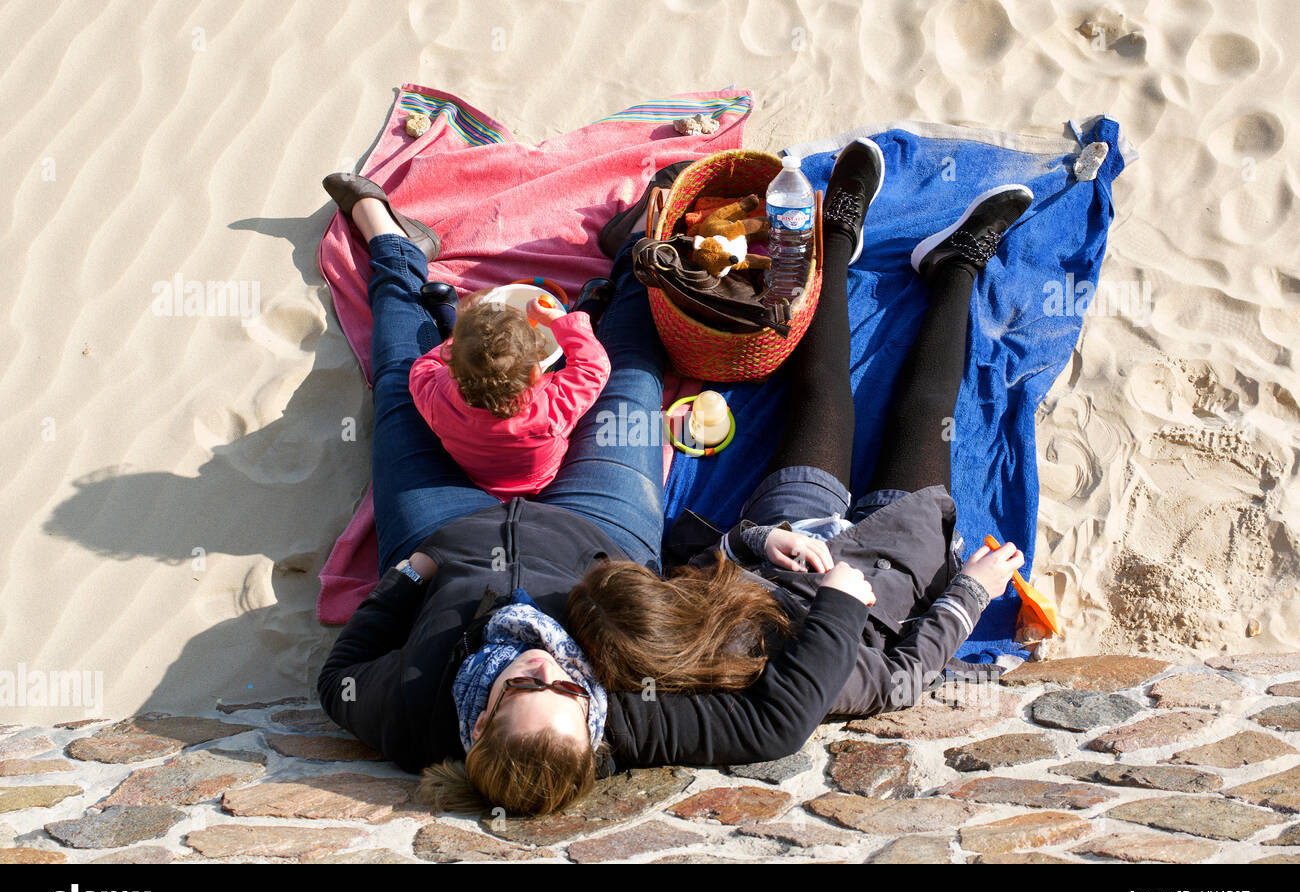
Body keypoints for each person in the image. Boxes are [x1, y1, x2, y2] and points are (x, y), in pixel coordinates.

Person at [317, 143, 1030, 816]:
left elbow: (336, 677)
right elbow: (776, 724)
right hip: (600, 531)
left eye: (521, 686)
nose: (546, 664)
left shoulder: (410, 714)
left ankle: (392, 244)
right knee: (631, 383)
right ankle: (639, 258)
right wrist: (851, 601)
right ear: (591, 727)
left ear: (474, 726)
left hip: (443, 527)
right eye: (568, 688)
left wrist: (410, 576)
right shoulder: (623, 719)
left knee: (399, 393)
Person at [567, 140, 1034, 717]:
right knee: (930, 410)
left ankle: (835, 239)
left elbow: (698, 559)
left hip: (796, 529)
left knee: (820, 392)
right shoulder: (789, 686)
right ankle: (958, 266)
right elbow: (902, 680)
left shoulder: (672, 615)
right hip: (890, 576)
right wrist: (971, 592)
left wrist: (758, 540)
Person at [406, 288, 611, 499]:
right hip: (542, 483)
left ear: (453, 368)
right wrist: (558, 321)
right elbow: (592, 367)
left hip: (477, 478)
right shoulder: (551, 408)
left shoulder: (434, 396)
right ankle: (586, 317)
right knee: (571, 355)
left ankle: (448, 317)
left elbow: (425, 365)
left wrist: (462, 340)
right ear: (534, 374)